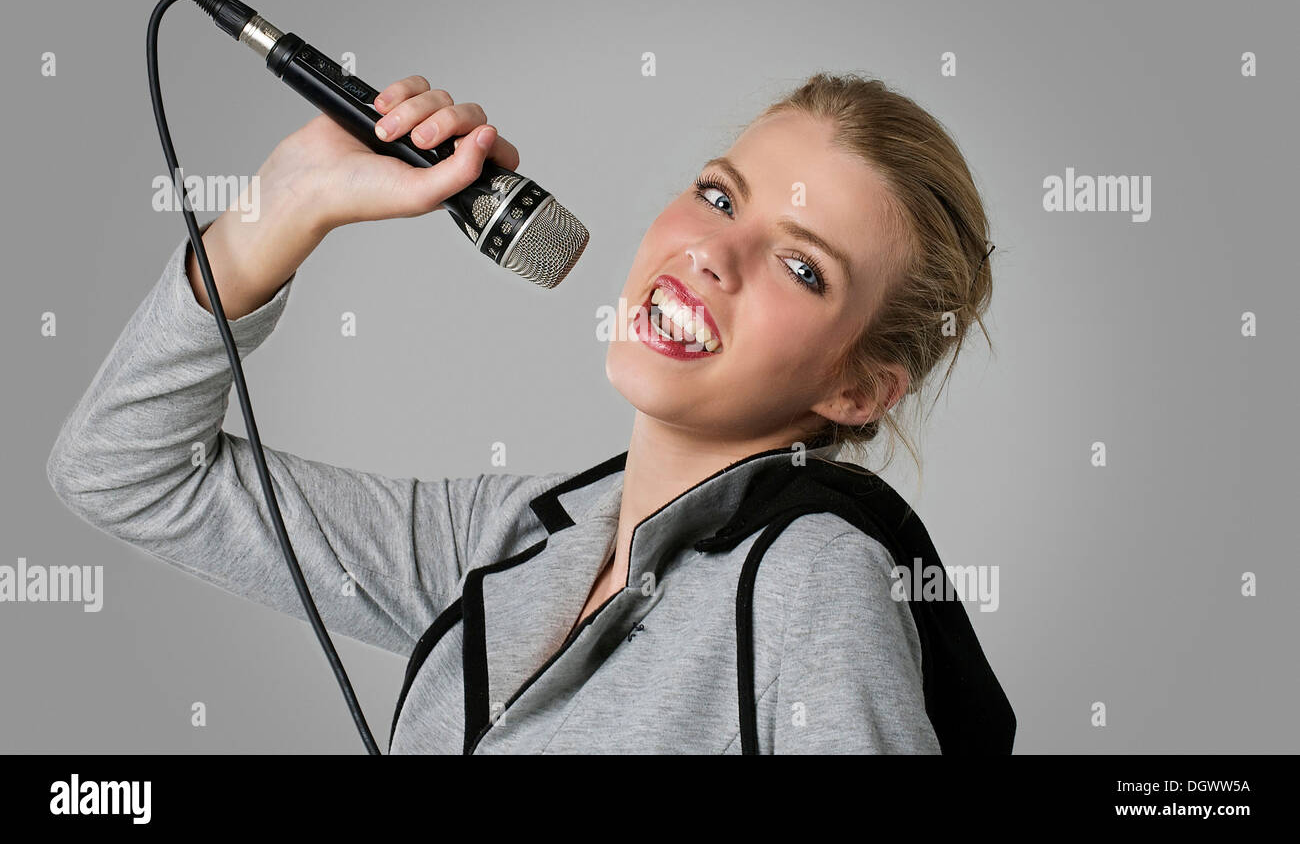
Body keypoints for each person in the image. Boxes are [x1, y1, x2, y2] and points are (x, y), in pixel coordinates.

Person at [46, 72, 1014, 754]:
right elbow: (126, 472)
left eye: (802, 267)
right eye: (719, 197)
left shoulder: (816, 578)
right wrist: (282, 210)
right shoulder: (515, 537)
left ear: (855, 391)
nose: (713, 254)